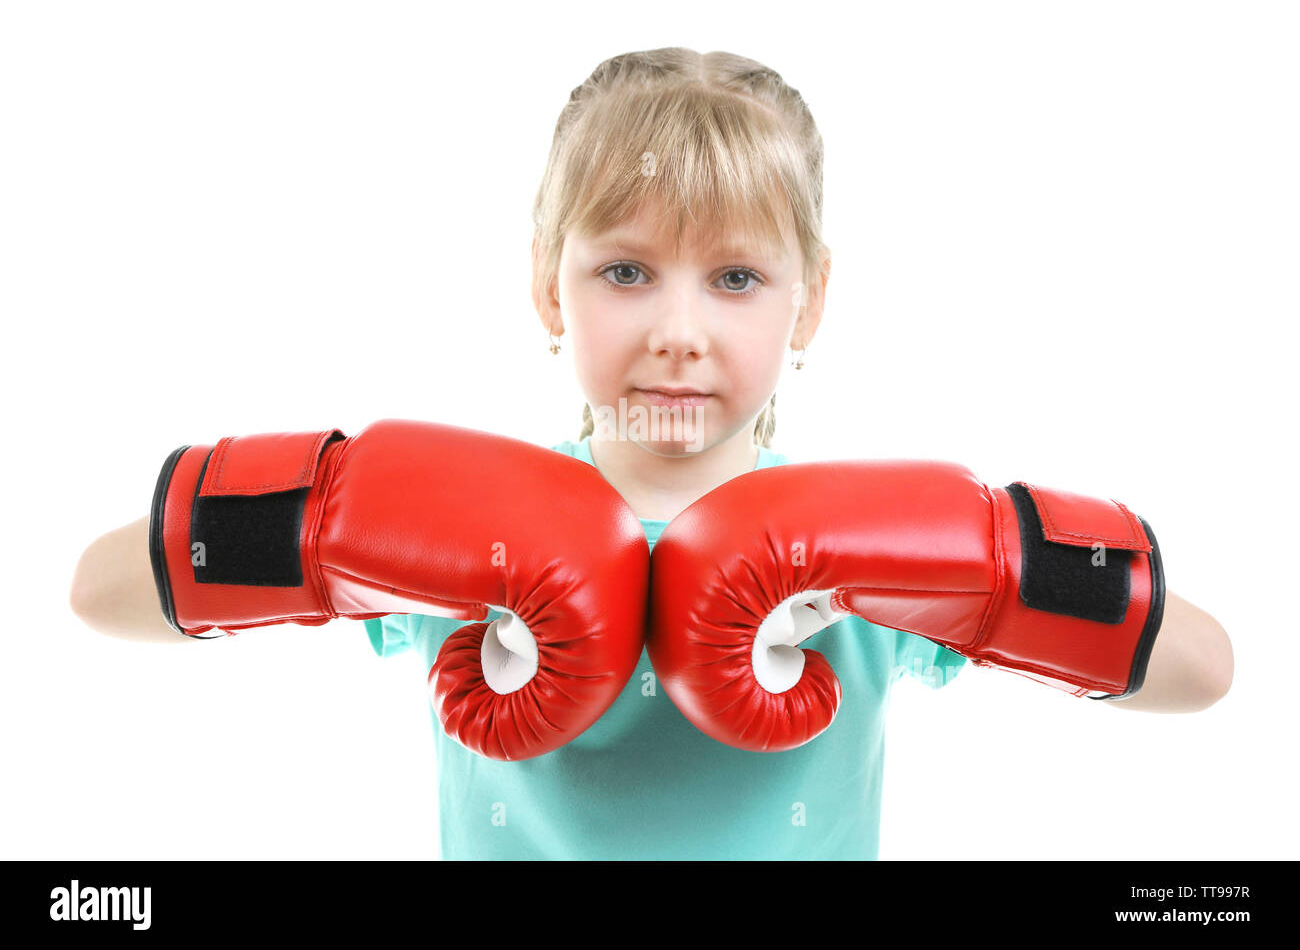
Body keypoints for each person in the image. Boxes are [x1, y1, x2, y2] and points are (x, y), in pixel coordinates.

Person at [69, 46, 1233, 860]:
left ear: (809, 302)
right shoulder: (456, 533)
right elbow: (99, 593)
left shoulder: (862, 564)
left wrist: (988, 563)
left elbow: (1203, 670)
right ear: (547, 283)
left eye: (735, 277)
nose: (679, 330)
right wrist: (326, 518)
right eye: (625, 271)